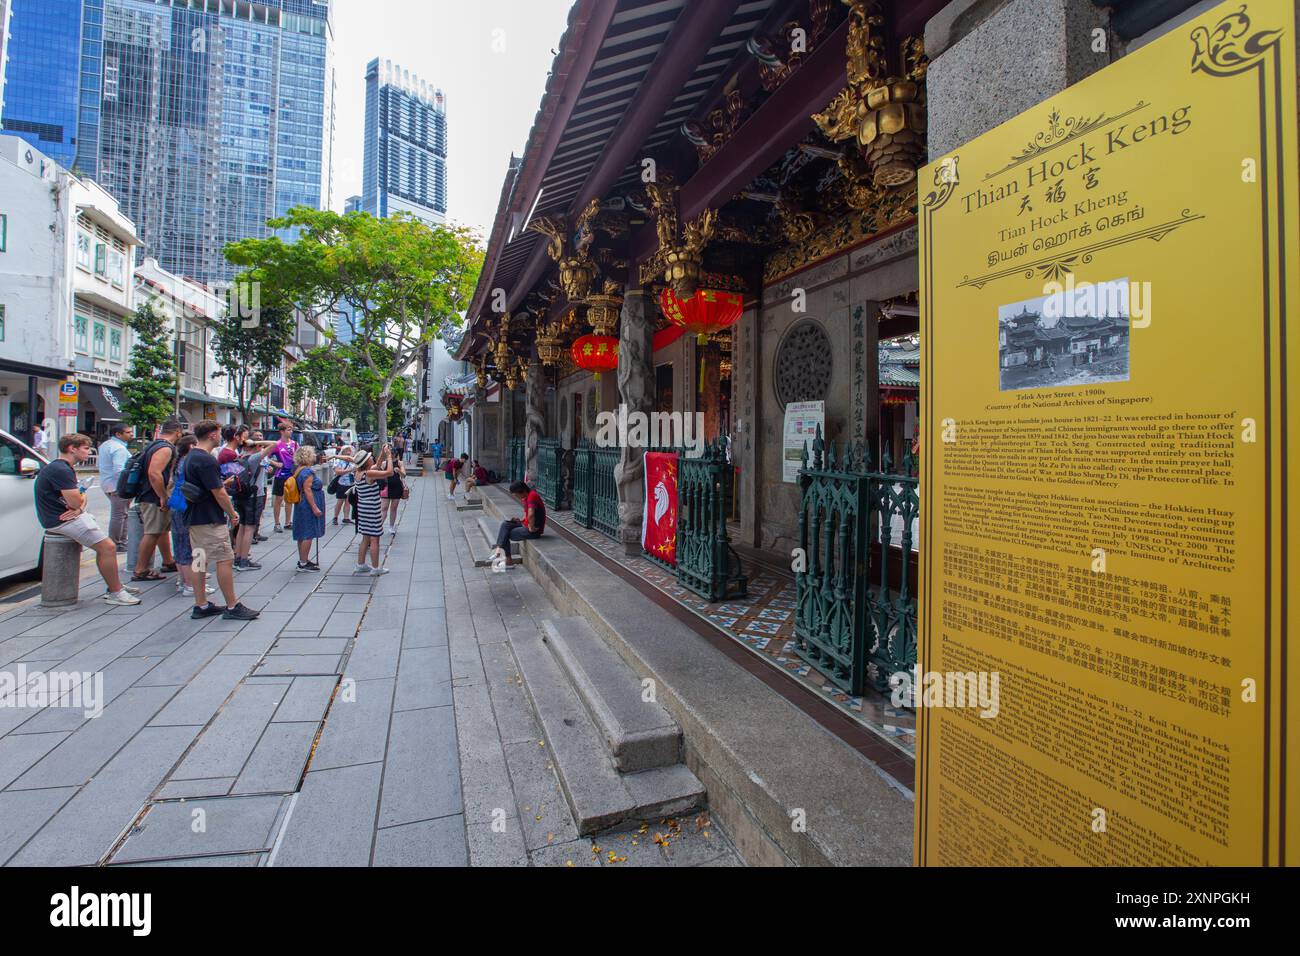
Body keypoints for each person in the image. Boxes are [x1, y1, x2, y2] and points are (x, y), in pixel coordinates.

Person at [33, 433, 140, 605]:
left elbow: (79, 499)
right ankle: (115, 591)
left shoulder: (62, 468)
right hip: (61, 520)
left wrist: (79, 506)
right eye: (85, 448)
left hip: (66, 517)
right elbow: (76, 499)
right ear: (71, 448)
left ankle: (115, 585)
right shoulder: (61, 470)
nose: (89, 453)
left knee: (105, 547)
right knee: (108, 547)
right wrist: (79, 504)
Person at [182, 420, 259, 621]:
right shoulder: (206, 460)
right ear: (212, 435)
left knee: (199, 559)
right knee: (225, 558)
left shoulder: (191, 456)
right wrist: (232, 513)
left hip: (195, 517)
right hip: (209, 518)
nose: (220, 436)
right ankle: (232, 605)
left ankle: (201, 603)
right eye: (218, 432)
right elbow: (219, 492)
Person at [132, 419, 181, 581]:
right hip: (153, 496)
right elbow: (154, 473)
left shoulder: (154, 445)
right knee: (152, 532)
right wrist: (162, 495)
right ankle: (141, 570)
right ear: (178, 432)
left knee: (160, 529)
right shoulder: (165, 448)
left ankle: (168, 561)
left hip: (150, 494)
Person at [350, 448, 392, 576]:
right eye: (369, 458)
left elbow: (377, 465)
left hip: (362, 507)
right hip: (372, 508)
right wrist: (389, 457)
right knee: (375, 538)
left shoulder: (358, 472)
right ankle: (375, 567)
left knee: (365, 537)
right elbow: (389, 472)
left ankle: (360, 564)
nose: (371, 458)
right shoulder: (369, 474)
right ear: (367, 462)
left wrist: (382, 454)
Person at [168, 434, 199, 597]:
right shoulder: (189, 462)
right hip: (187, 507)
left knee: (179, 545)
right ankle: (191, 584)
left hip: (176, 505)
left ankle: (183, 581)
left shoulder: (178, 461)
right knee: (191, 546)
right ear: (192, 446)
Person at [491, 480, 546, 569]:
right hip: (526, 525)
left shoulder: (532, 496)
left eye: (517, 494)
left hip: (534, 530)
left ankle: (505, 559)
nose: (517, 497)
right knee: (505, 524)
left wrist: (531, 527)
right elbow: (528, 514)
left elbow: (531, 514)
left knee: (506, 533)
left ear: (523, 491)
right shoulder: (526, 497)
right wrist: (521, 520)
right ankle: (499, 551)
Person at [98, 422, 132, 552]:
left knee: (122, 514)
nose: (131, 434)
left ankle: (121, 541)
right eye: (128, 432)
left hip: (108, 484)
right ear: (118, 434)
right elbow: (119, 470)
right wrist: (127, 485)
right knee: (120, 515)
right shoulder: (119, 449)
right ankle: (117, 542)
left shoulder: (106, 445)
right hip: (117, 486)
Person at [291, 446, 325, 572]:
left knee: (302, 533)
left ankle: (303, 559)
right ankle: (304, 562)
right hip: (307, 505)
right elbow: (308, 490)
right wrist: (315, 507)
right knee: (308, 533)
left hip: (301, 503)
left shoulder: (298, 469)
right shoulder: (307, 472)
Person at [271, 419, 298, 533]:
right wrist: (275, 463)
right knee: (278, 499)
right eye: (288, 429)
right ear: (281, 431)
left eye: (291, 429)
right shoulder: (276, 444)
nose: (290, 432)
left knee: (290, 499)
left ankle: (288, 522)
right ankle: (277, 523)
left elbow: (298, 457)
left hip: (291, 475)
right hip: (280, 475)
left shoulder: (294, 444)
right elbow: (265, 457)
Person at [380, 448, 405, 536]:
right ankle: (379, 526)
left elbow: (404, 475)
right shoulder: (384, 463)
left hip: (396, 487)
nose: (392, 455)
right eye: (390, 453)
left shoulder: (399, 463)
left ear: (396, 454)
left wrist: (399, 471)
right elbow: (381, 475)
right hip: (386, 487)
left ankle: (391, 527)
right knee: (384, 508)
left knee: (394, 508)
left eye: (393, 453)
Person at [332, 445, 356, 525]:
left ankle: (346, 518)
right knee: (340, 500)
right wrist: (349, 470)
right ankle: (335, 517)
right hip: (341, 483)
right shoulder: (338, 461)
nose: (349, 452)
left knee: (348, 501)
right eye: (347, 450)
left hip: (350, 483)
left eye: (350, 450)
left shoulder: (352, 461)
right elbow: (337, 471)